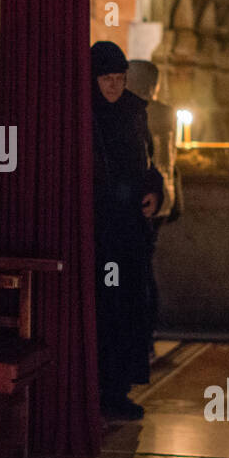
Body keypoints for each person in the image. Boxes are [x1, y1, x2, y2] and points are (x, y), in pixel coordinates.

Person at [91, 42, 164, 421]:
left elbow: (148, 163)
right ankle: (99, 389)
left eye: (119, 79)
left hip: (130, 232)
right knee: (106, 309)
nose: (114, 86)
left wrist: (154, 191)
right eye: (107, 78)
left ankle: (118, 389)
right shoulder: (86, 113)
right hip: (100, 231)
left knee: (130, 309)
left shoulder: (135, 111)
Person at [125, 60, 182, 362]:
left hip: (148, 199)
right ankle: (145, 337)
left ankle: (142, 335)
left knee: (142, 271)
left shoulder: (142, 111)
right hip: (163, 198)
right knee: (145, 268)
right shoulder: (165, 112)